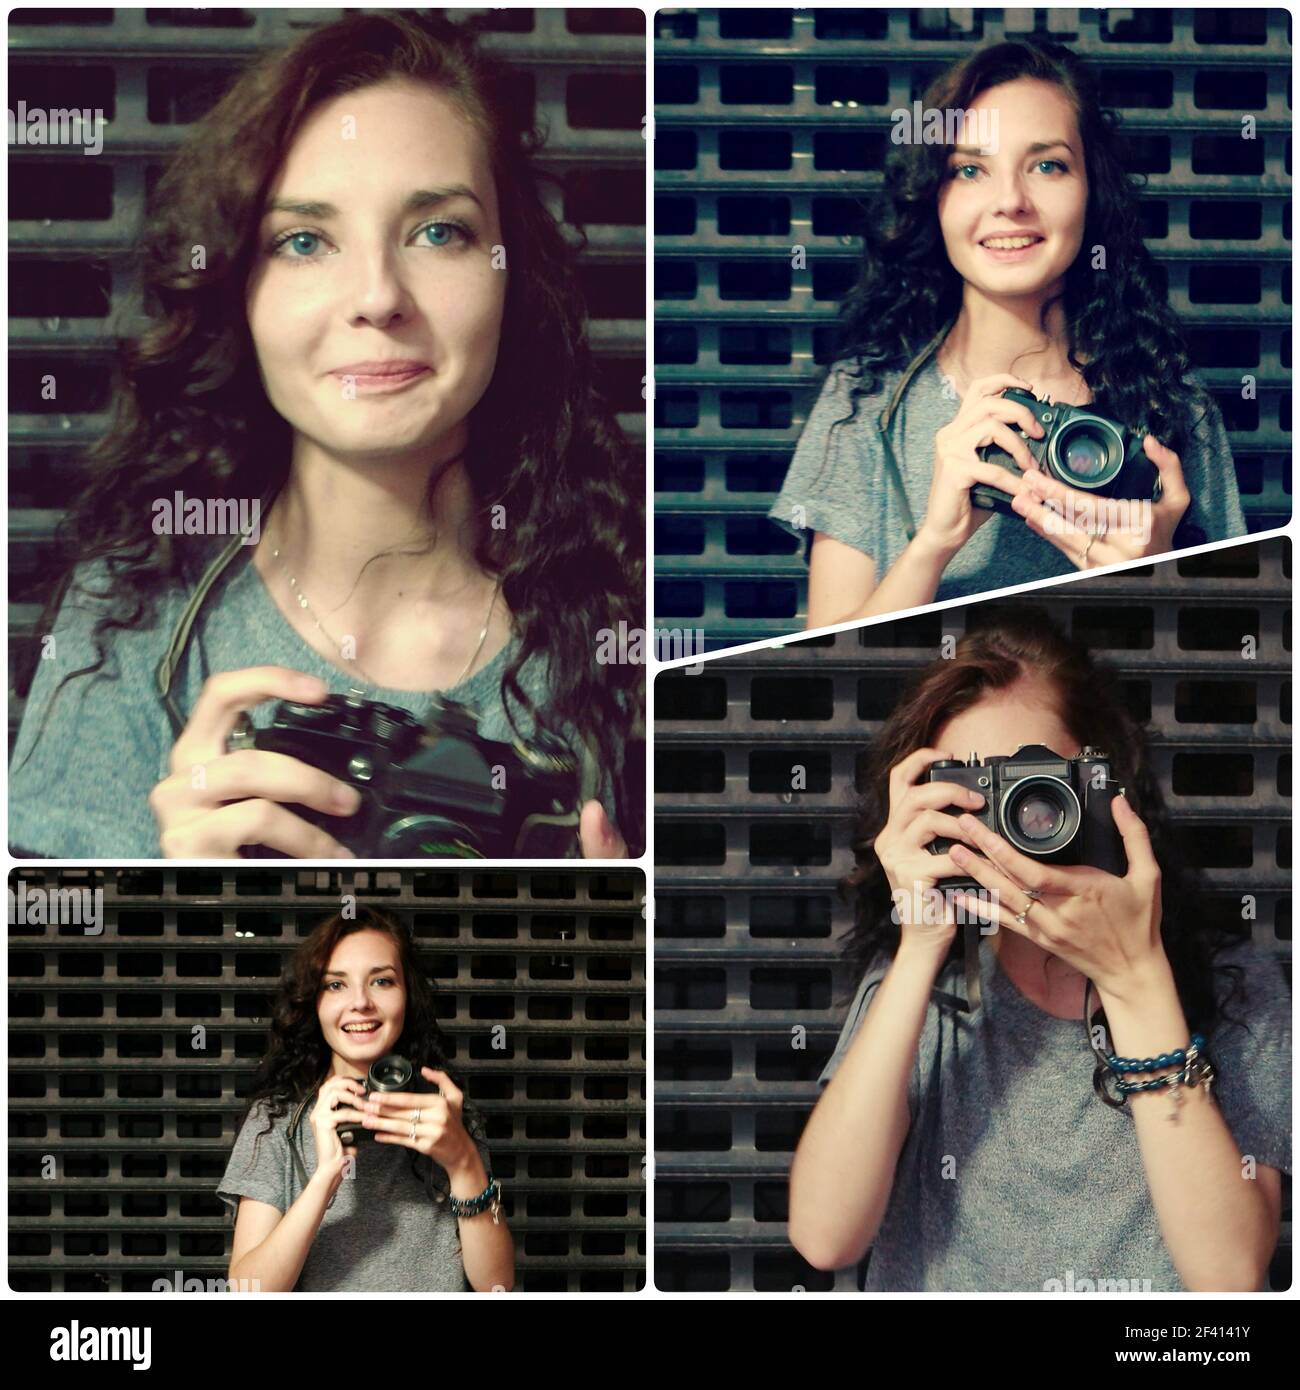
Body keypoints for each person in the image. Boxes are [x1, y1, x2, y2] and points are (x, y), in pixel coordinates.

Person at [9, 11, 643, 859]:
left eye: (438, 232)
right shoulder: (132, 623)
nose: (377, 296)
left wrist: (605, 962)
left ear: (510, 276)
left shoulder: (628, 616)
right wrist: (172, 909)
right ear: (240, 290)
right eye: (305, 241)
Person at [788, 610, 1289, 1292]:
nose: (1018, 822)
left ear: (1107, 785)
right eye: (979, 791)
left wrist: (1136, 980)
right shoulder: (923, 986)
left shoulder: (1234, 986)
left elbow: (1230, 1276)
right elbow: (823, 1235)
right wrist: (920, 941)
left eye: (1040, 782)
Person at [768, 38, 1247, 629]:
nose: (1010, 202)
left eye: (1047, 165)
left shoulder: (1172, 405)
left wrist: (1155, 573)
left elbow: (1236, 662)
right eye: (971, 170)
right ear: (935, 198)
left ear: (1091, 191)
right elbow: (825, 683)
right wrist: (934, 543)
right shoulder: (865, 400)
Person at [217, 908, 512, 1292]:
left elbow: (497, 1284)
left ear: (408, 996)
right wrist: (325, 1177)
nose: (360, 1003)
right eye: (336, 985)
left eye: (382, 981)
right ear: (314, 1003)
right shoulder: (276, 1119)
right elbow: (247, 1290)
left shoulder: (445, 1114)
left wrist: (462, 1160)